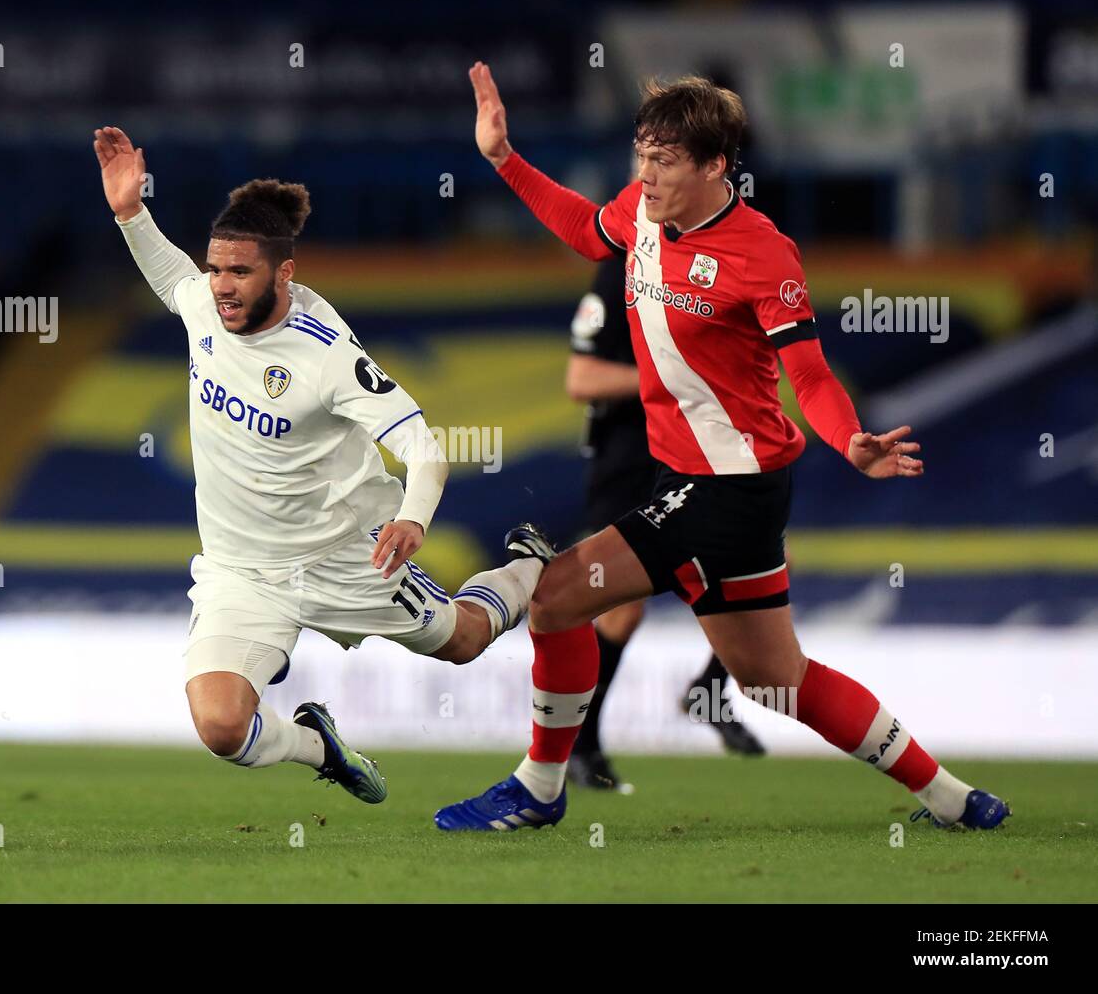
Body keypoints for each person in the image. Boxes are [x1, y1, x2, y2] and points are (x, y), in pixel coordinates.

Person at [433, 67, 1009, 832]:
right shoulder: (640, 209)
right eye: (641, 153)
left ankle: (538, 789)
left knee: (555, 597)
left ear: (714, 166)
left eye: (664, 159)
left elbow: (808, 370)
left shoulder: (762, 253)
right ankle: (951, 797)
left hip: (729, 487)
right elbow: (585, 229)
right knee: (775, 678)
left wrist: (849, 442)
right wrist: (505, 157)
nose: (645, 173)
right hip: (697, 479)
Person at [94, 126, 554, 804]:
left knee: (462, 640)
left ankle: (529, 565)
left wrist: (412, 520)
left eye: (239, 272)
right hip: (242, 568)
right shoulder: (207, 307)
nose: (220, 286)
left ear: (284, 273)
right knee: (221, 725)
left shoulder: (327, 353)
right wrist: (131, 212)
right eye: (216, 268)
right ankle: (322, 749)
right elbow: (174, 279)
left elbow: (424, 448)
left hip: (345, 556)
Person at [566, 258, 764, 794]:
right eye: (647, 167)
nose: (652, 179)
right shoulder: (619, 271)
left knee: (756, 561)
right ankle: (580, 747)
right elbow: (581, 378)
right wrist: (670, 378)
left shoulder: (715, 261)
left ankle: (709, 688)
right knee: (620, 607)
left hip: (697, 453)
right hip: (631, 462)